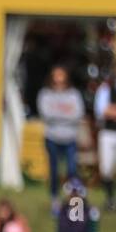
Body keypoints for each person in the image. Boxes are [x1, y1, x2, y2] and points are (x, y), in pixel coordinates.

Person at [38, 66, 84, 213]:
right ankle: (55, 200)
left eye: (61, 75)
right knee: (54, 170)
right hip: (52, 137)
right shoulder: (45, 94)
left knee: (72, 170)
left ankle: (73, 201)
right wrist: (65, 113)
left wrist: (57, 114)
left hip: (70, 137)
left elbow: (77, 113)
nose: (59, 78)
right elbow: (46, 114)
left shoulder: (74, 94)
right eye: (56, 75)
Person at [95, 62, 116, 211]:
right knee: (106, 168)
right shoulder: (105, 88)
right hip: (108, 133)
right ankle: (109, 199)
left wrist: (114, 111)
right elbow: (102, 111)